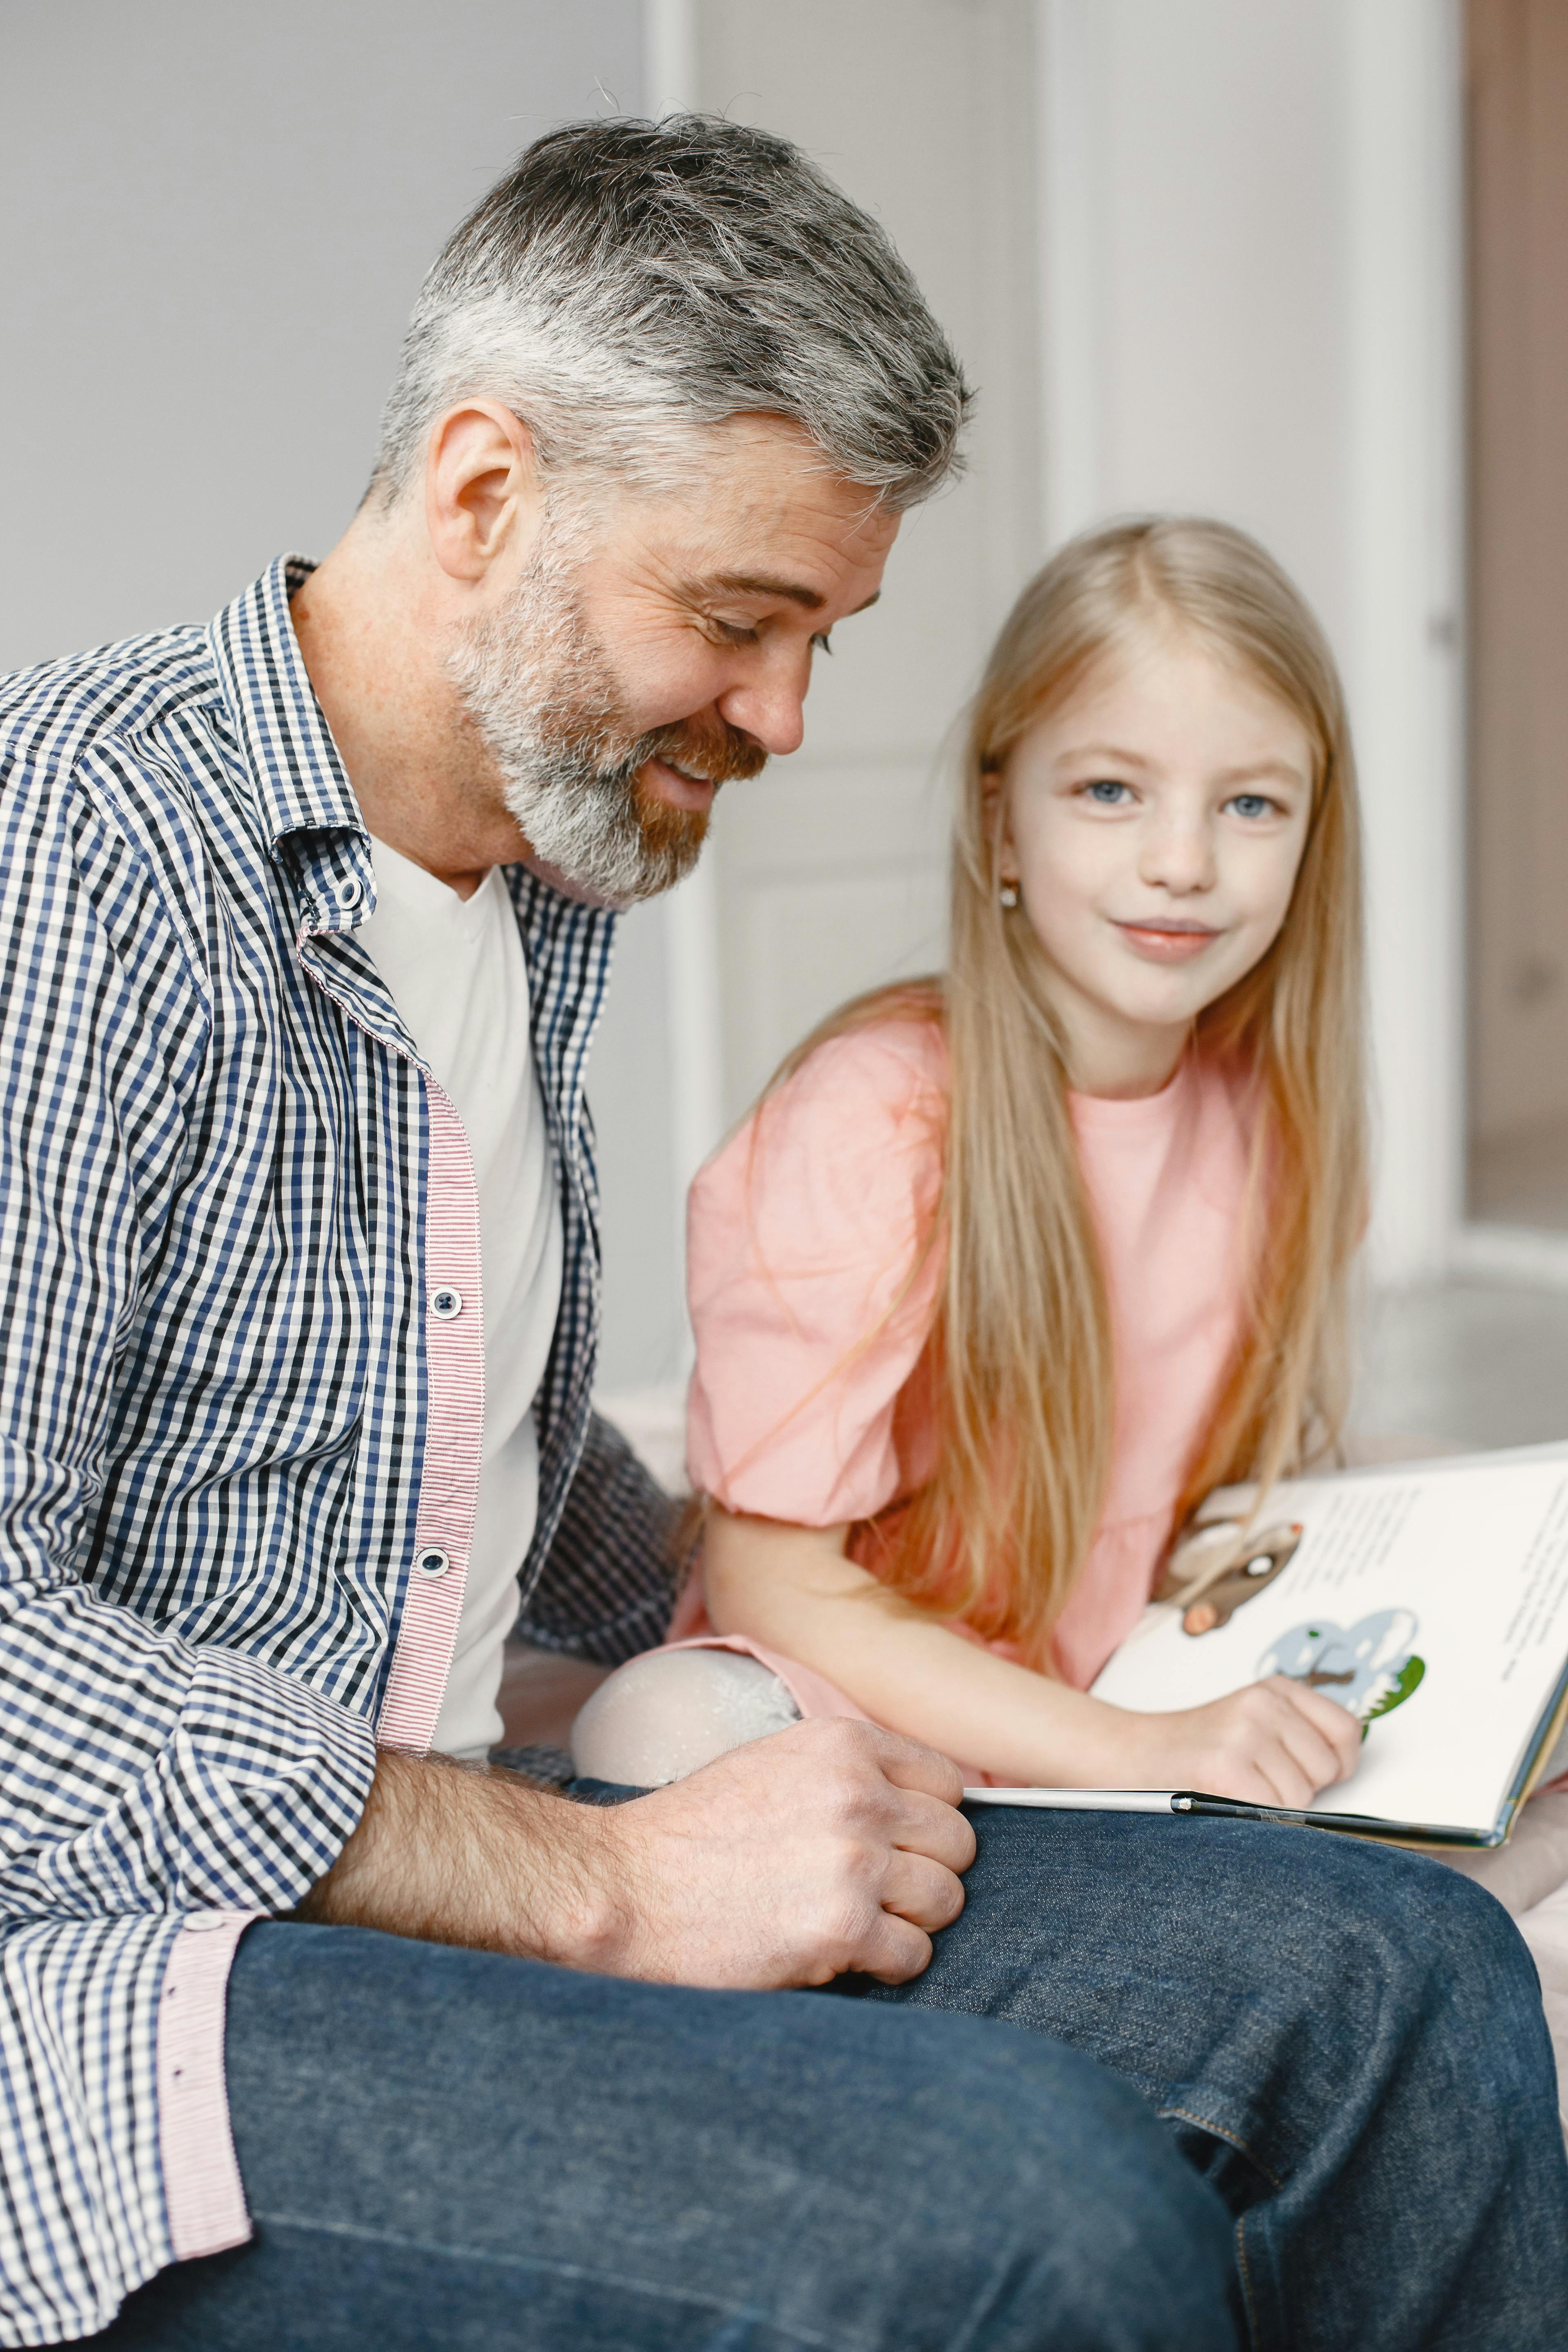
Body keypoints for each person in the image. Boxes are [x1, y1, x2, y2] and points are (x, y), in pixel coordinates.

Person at [0, 115, 1560, 2352]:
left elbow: (474, 1490)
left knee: (1395, 1982)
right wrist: (612, 1880)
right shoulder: (74, 852)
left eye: (825, 636)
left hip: (471, 1824)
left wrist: (817, 1670)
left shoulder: (528, 902)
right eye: (740, 621)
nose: (788, 720)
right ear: (480, 494)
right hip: (130, 1983)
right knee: (1036, 2214)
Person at [574, 518, 1370, 1803]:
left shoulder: (1267, 1118)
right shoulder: (878, 1120)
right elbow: (778, 1584)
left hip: (1119, 1667)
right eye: (1110, 791)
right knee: (663, 1731)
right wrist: (1141, 1753)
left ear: (1311, 837)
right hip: (896, 1689)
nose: (1183, 862)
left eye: (1252, 805)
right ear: (1002, 827)